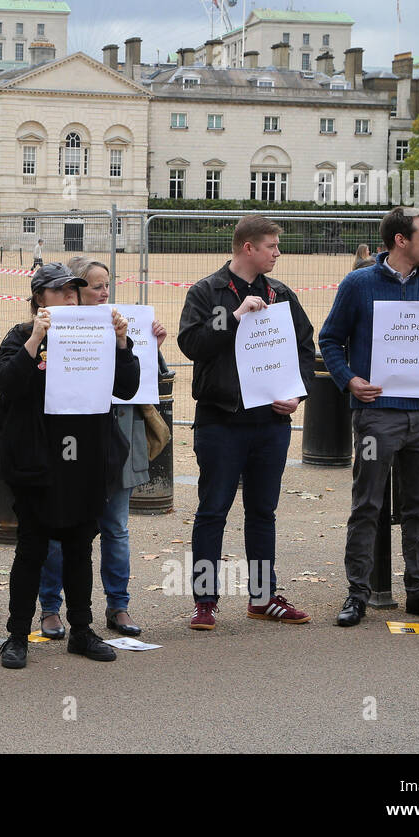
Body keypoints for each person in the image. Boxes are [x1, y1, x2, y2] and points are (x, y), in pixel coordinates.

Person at [319, 207, 419, 627]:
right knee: (367, 505)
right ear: (401, 240)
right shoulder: (358, 283)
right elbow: (330, 338)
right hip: (376, 415)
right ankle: (358, 595)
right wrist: (349, 381)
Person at [0, 263, 140, 669]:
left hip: (86, 458)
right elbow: (7, 383)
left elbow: (126, 387)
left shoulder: (97, 334)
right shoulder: (21, 336)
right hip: (37, 460)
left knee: (79, 548)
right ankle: (17, 634)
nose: (71, 298)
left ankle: (82, 630)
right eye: (61, 292)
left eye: (75, 292)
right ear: (40, 297)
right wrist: (36, 339)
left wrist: (123, 343)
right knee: (32, 548)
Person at [177, 215, 316, 631]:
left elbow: (306, 349)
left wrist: (298, 393)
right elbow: (191, 344)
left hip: (271, 423)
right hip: (221, 421)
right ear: (248, 248)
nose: (278, 253)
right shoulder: (208, 291)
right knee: (212, 511)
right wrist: (234, 316)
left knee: (262, 512)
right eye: (272, 246)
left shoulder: (281, 294)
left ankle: (263, 596)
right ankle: (205, 601)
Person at [37, 257, 166, 642]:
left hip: (118, 438)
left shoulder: (119, 324)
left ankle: (118, 605)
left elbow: (140, 381)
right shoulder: (52, 328)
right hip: (70, 443)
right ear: (75, 292)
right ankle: (50, 608)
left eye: (107, 284)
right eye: (96, 286)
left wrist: (151, 346)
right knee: (60, 529)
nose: (105, 292)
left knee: (116, 527)